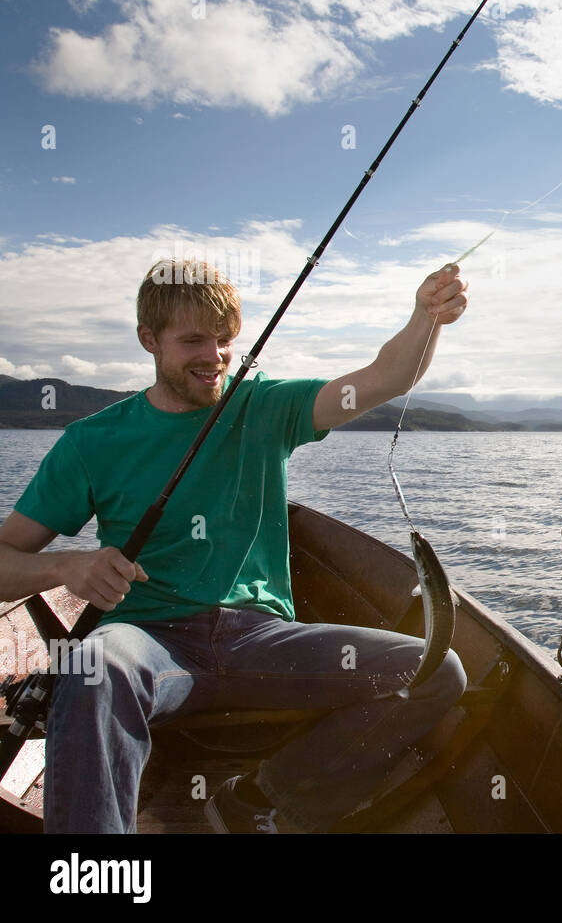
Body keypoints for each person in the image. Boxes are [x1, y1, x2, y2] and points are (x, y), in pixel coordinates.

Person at [0, 257, 470, 833]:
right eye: (193, 339)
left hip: (263, 638)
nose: (214, 356)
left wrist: (427, 316)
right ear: (148, 339)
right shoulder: (89, 442)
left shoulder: (265, 407)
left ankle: (260, 800)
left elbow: (383, 379)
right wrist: (70, 564)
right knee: (94, 664)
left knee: (436, 669)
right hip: (149, 642)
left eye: (224, 341)